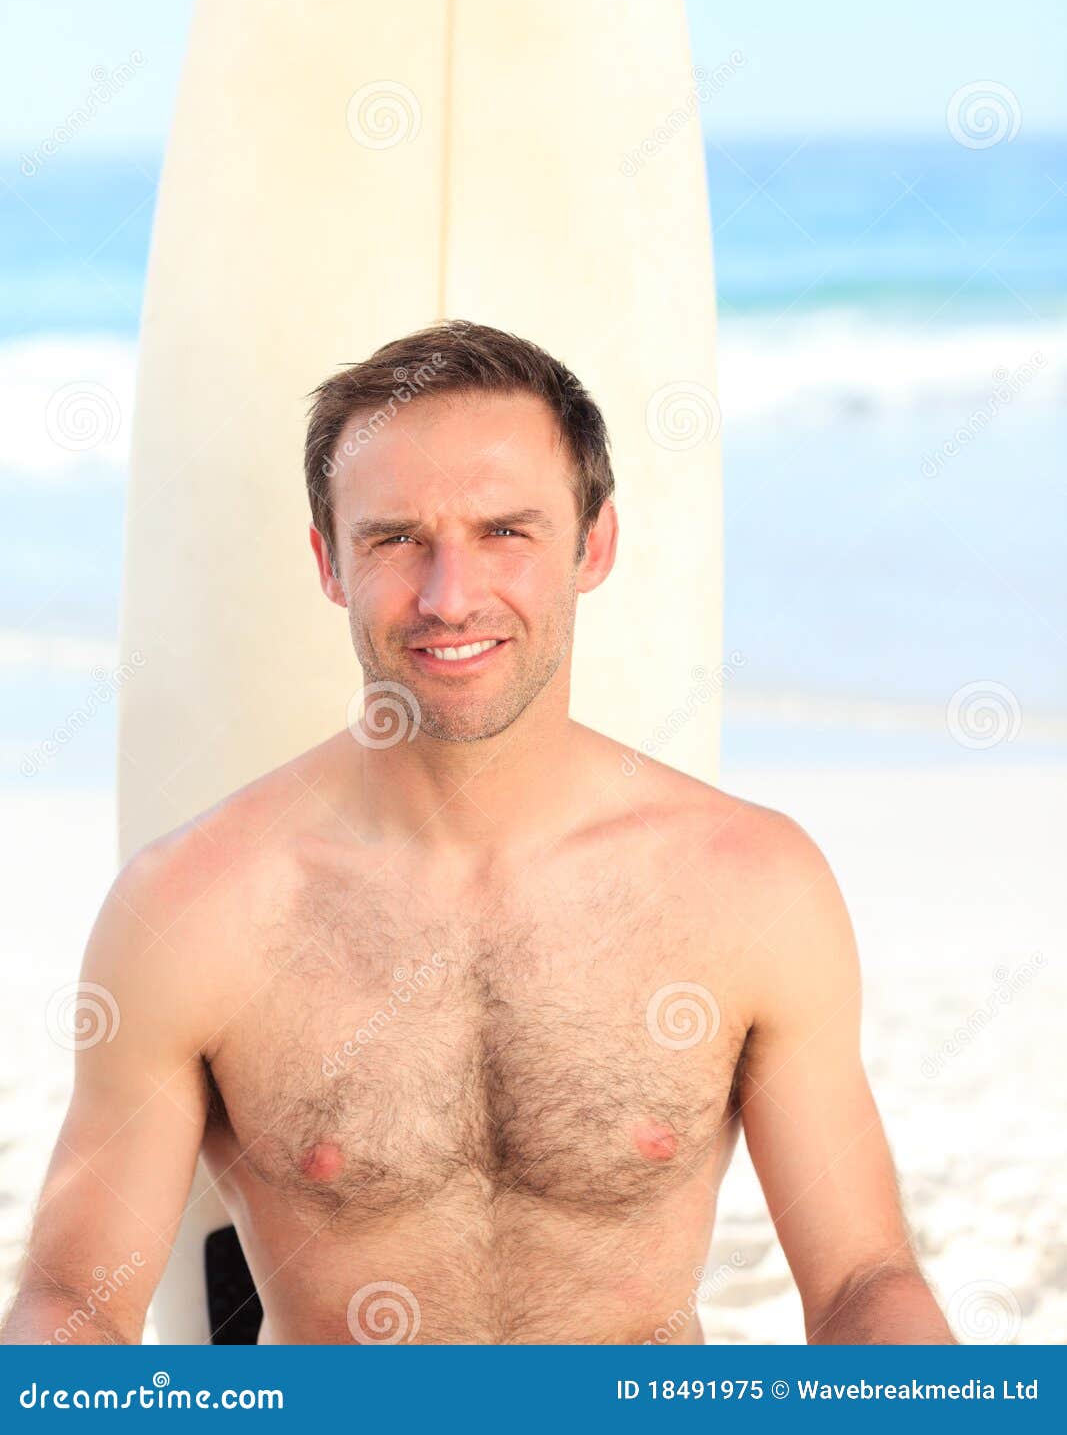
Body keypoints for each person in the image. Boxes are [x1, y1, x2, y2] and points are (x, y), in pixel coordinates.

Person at [1, 321, 955, 1345]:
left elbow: (860, 1281)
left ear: (592, 545)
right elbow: (77, 1303)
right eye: (395, 538)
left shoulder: (751, 887)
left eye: (504, 531)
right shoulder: (193, 906)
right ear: (329, 561)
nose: (449, 597)